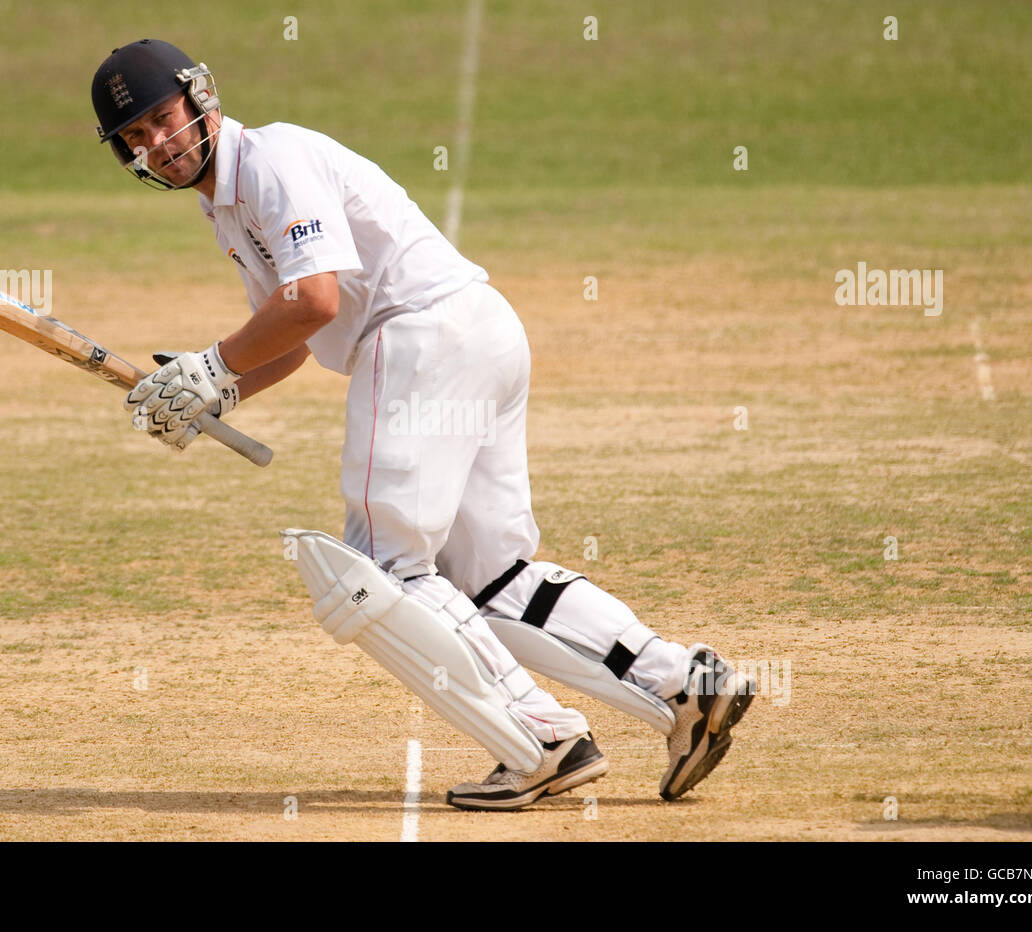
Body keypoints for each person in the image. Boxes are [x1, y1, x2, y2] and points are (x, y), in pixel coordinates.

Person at [91, 38, 754, 811]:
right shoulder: (229, 204)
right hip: (475, 333)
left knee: (385, 569)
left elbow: (315, 303)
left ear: (200, 97)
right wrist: (215, 393)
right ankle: (685, 685)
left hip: (422, 339)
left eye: (159, 120)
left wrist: (207, 368)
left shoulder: (271, 161)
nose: (155, 145)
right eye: (134, 139)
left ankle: (541, 739)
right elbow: (295, 339)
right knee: (492, 576)